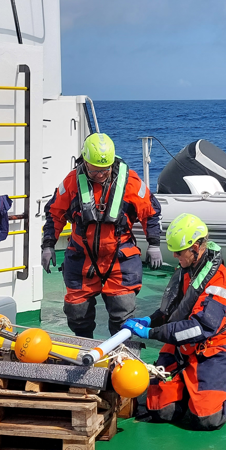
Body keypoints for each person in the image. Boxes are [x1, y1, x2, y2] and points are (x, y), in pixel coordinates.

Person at [123, 213, 226, 430]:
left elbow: (199, 328)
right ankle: (187, 387)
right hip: (180, 347)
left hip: (210, 350)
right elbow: (172, 310)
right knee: (159, 411)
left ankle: (219, 383)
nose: (175, 256)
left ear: (196, 247)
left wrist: (150, 332)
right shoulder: (186, 271)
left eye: (179, 251)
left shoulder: (220, 282)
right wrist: (150, 320)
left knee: (207, 420)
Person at [41, 133, 162, 338]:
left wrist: (154, 245)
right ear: (84, 162)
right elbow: (54, 213)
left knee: (123, 312)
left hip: (119, 257)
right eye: (95, 170)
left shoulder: (130, 181)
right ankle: (84, 350)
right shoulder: (71, 182)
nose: (100, 175)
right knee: (76, 312)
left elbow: (150, 211)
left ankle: (121, 353)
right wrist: (48, 244)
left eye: (104, 170)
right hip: (82, 258)